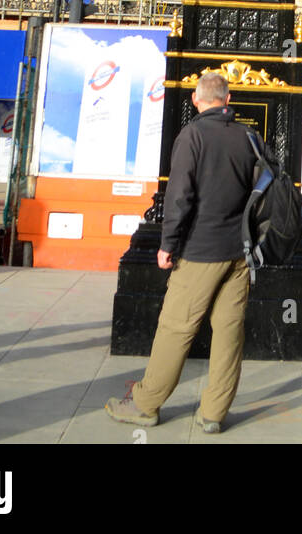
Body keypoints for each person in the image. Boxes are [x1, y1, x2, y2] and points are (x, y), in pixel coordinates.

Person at [105, 71, 256, 434]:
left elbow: (180, 196)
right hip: (239, 252)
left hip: (200, 251)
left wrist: (167, 244)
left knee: (176, 328)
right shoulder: (248, 136)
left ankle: (145, 403)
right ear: (228, 98)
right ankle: (214, 412)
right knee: (229, 332)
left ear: (195, 100)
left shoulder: (193, 135)